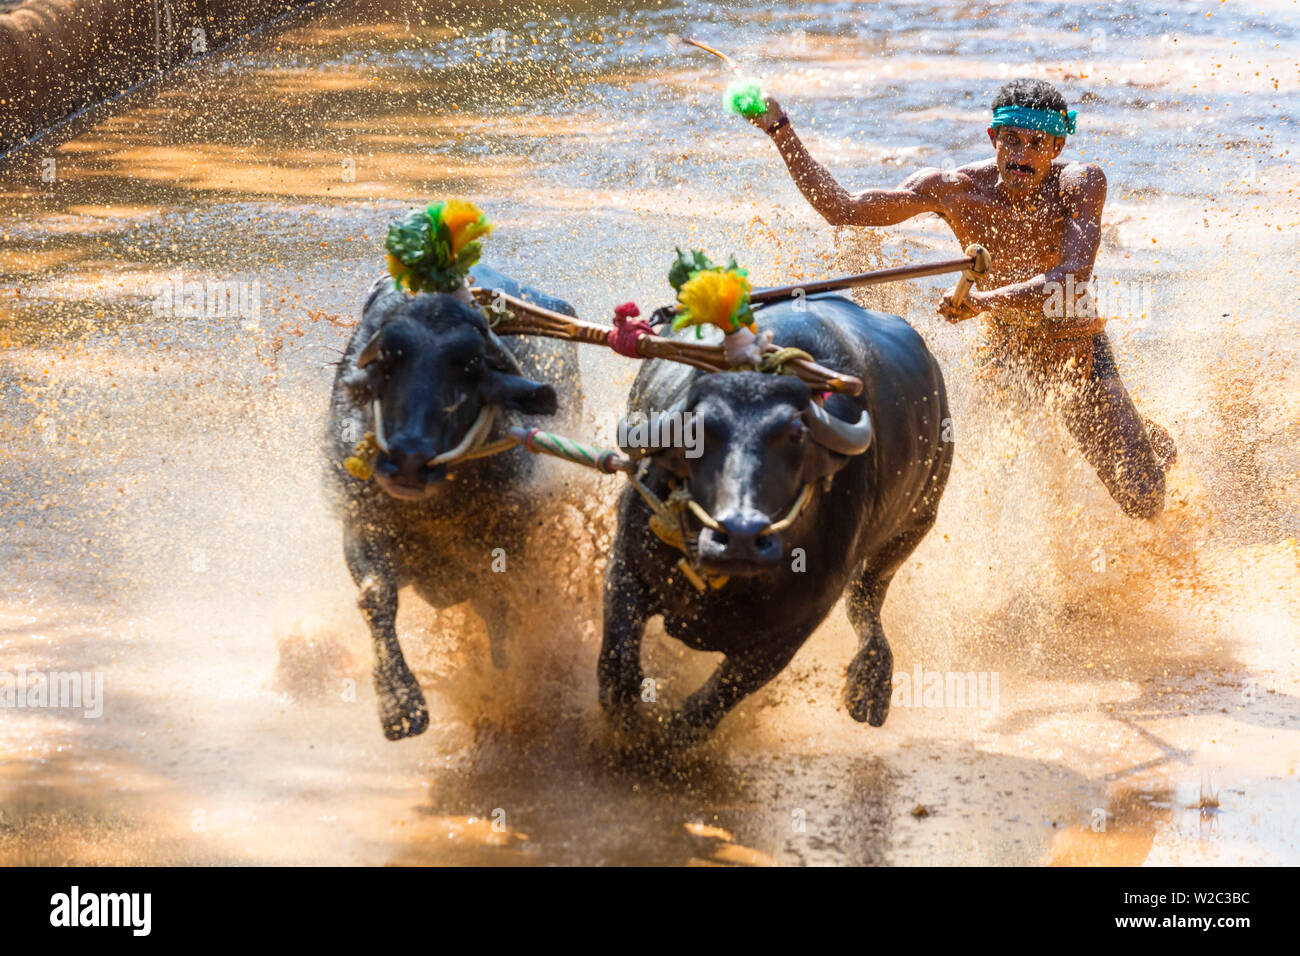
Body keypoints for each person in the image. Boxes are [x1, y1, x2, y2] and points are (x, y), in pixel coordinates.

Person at [746, 77, 1175, 519]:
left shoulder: (1080, 183)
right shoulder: (953, 189)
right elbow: (843, 209)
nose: (1022, 157)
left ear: (1058, 147)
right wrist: (779, 128)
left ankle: (1149, 443)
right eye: (1012, 141)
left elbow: (1072, 278)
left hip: (1074, 343)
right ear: (993, 138)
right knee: (981, 497)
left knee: (1144, 497)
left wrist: (986, 301)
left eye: (1036, 144)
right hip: (1004, 350)